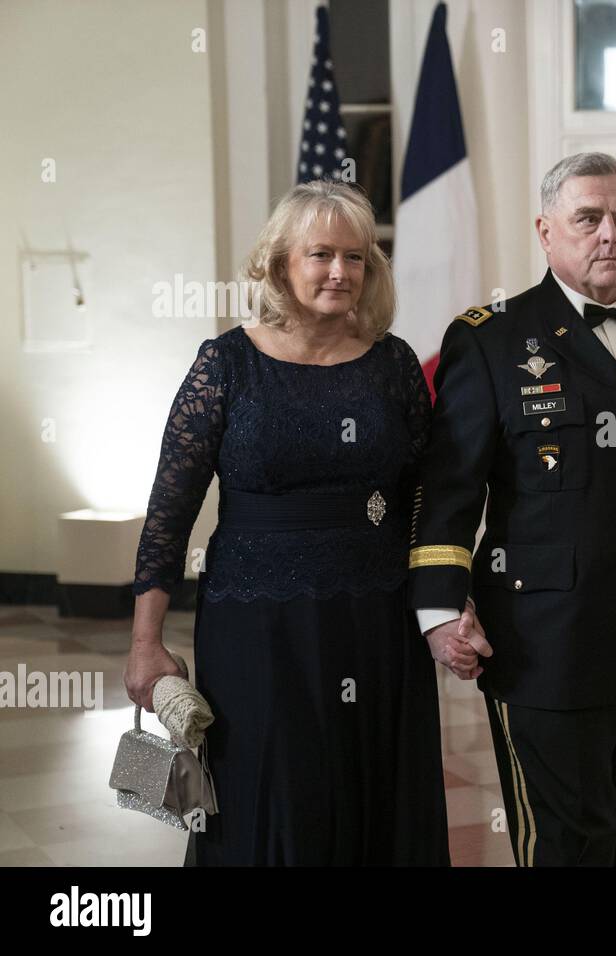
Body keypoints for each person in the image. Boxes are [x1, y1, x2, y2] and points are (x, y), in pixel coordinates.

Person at [409, 151, 616, 866]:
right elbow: (450, 490)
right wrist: (441, 611)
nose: (609, 235)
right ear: (546, 230)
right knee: (570, 841)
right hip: (546, 643)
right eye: (588, 219)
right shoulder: (491, 337)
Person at [125, 180, 479, 865]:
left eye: (356, 257)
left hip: (375, 623)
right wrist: (146, 641)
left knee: (372, 795)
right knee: (264, 795)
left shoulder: (394, 365)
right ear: (279, 263)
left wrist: (447, 602)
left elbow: (430, 501)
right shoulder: (224, 366)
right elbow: (170, 511)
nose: (341, 272)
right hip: (256, 629)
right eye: (321, 255)